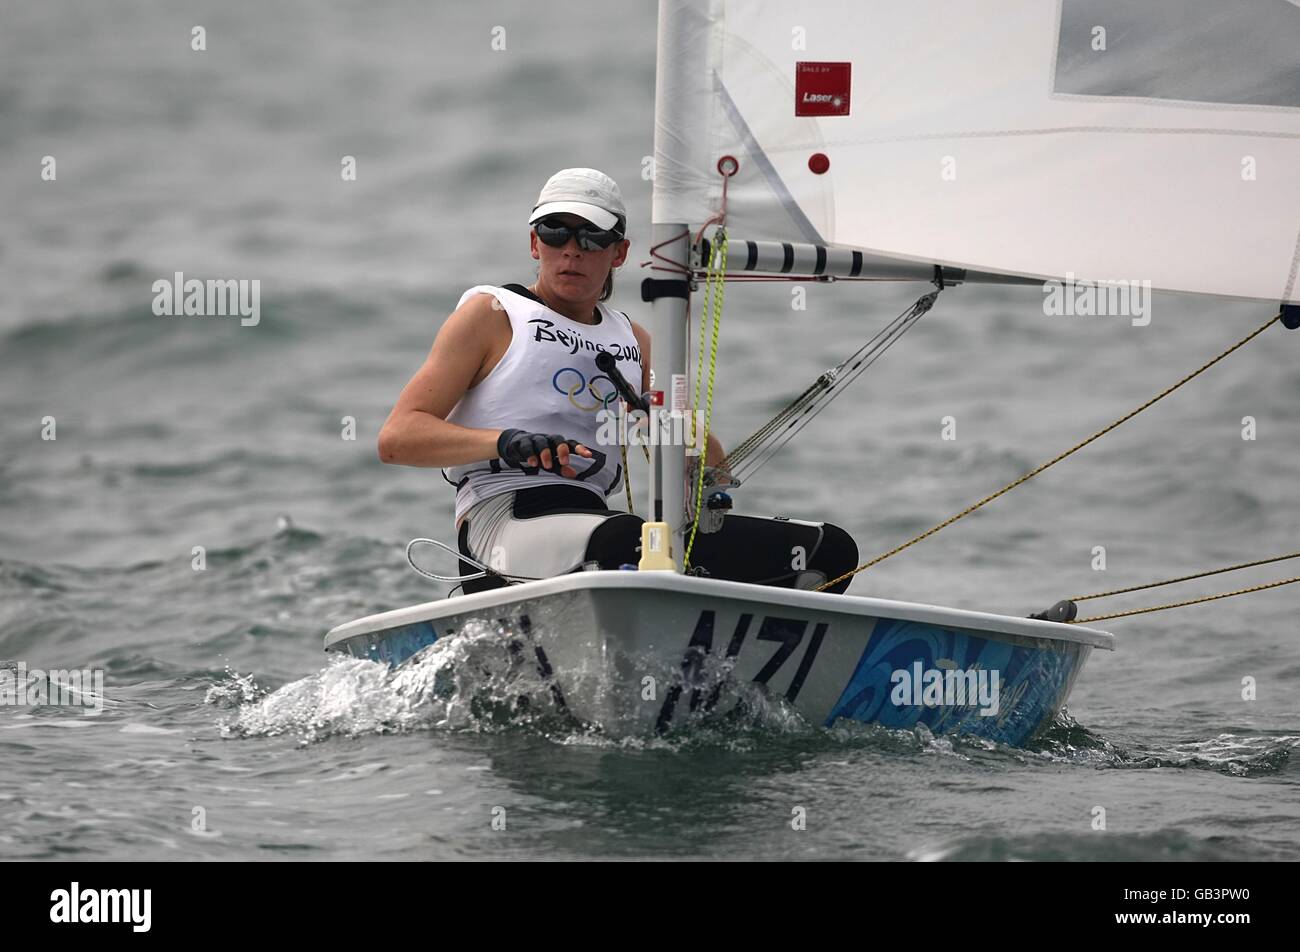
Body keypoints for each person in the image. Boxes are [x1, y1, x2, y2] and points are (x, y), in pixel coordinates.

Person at [377, 168, 858, 593]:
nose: (571, 251)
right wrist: (506, 442)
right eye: (555, 233)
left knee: (826, 552)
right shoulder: (491, 314)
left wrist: (678, 439)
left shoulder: (638, 340)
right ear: (533, 243)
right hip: (503, 521)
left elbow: (711, 465)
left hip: (596, 524)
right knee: (625, 544)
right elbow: (398, 438)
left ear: (620, 252)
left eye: (591, 238)